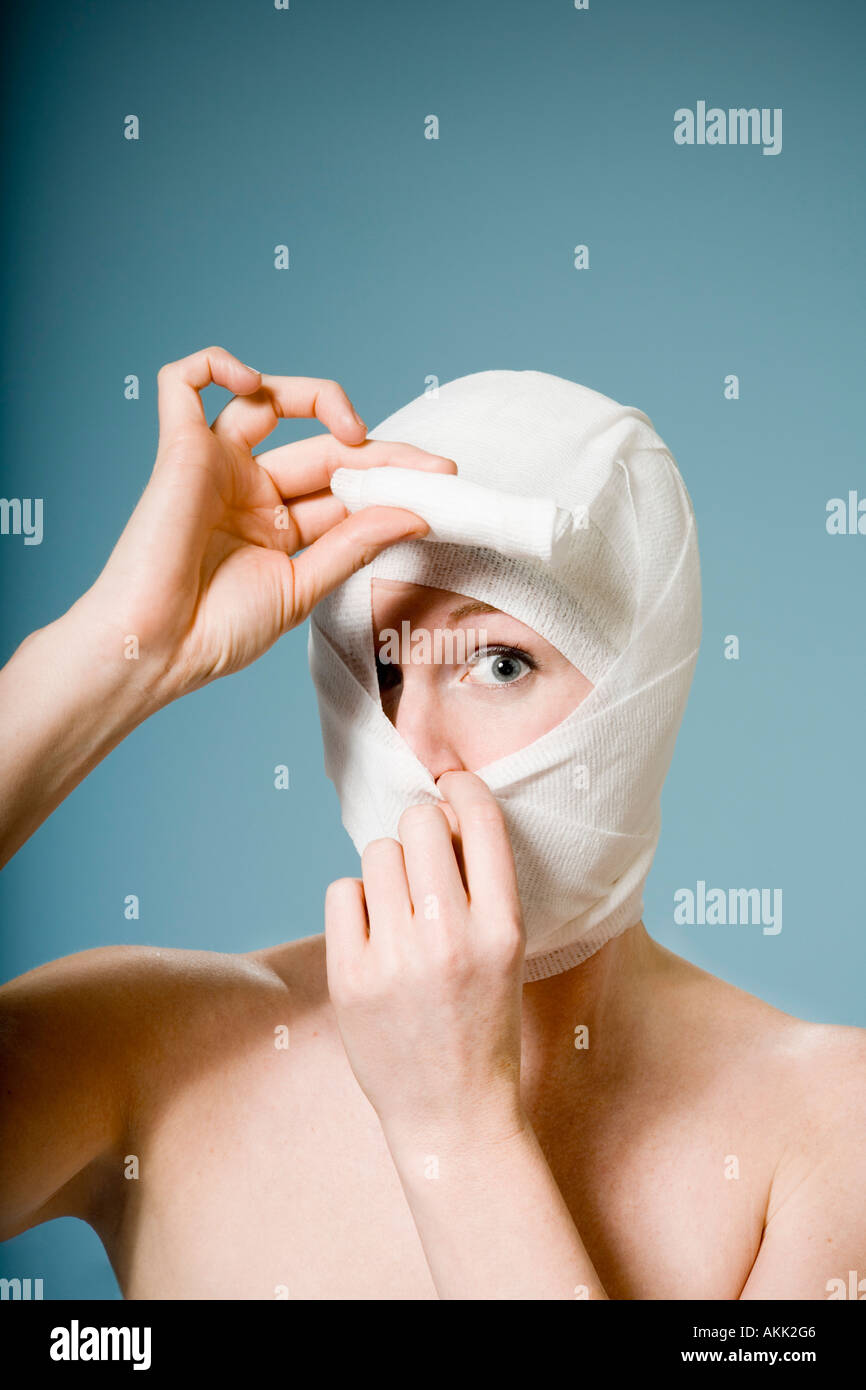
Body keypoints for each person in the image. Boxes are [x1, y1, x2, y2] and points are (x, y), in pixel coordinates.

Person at [0, 347, 863, 1302]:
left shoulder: (827, 1136)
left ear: (641, 694)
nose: (413, 746)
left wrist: (456, 1134)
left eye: (498, 662)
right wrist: (107, 657)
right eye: (386, 664)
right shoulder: (154, 1050)